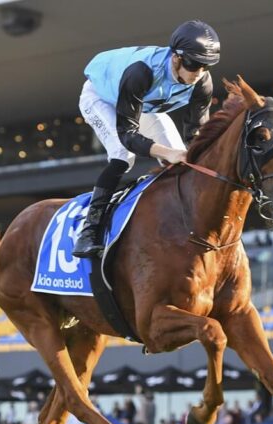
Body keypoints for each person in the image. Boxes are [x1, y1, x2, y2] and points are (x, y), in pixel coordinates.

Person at [73, 20, 220, 257]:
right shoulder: (140, 72)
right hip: (101, 98)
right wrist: (167, 152)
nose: (199, 73)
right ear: (176, 58)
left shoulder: (202, 82)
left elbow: (197, 136)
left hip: (145, 107)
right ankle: (89, 231)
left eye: (206, 66)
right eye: (195, 65)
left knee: (181, 163)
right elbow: (128, 135)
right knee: (123, 156)